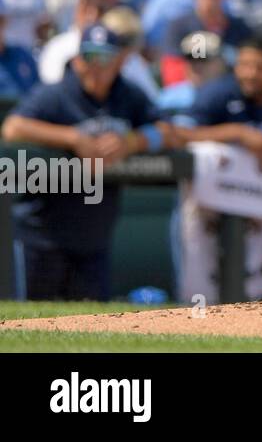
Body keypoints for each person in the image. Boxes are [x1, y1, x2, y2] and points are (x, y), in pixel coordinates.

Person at [1, 25, 167, 300]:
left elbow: (167, 129)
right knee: (35, 322)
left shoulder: (127, 94)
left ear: (119, 62)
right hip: (43, 232)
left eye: (105, 58)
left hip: (95, 236)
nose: (97, 67)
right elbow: (13, 127)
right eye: (90, 57)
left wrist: (131, 141)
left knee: (91, 322)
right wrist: (73, 137)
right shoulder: (58, 93)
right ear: (78, 60)